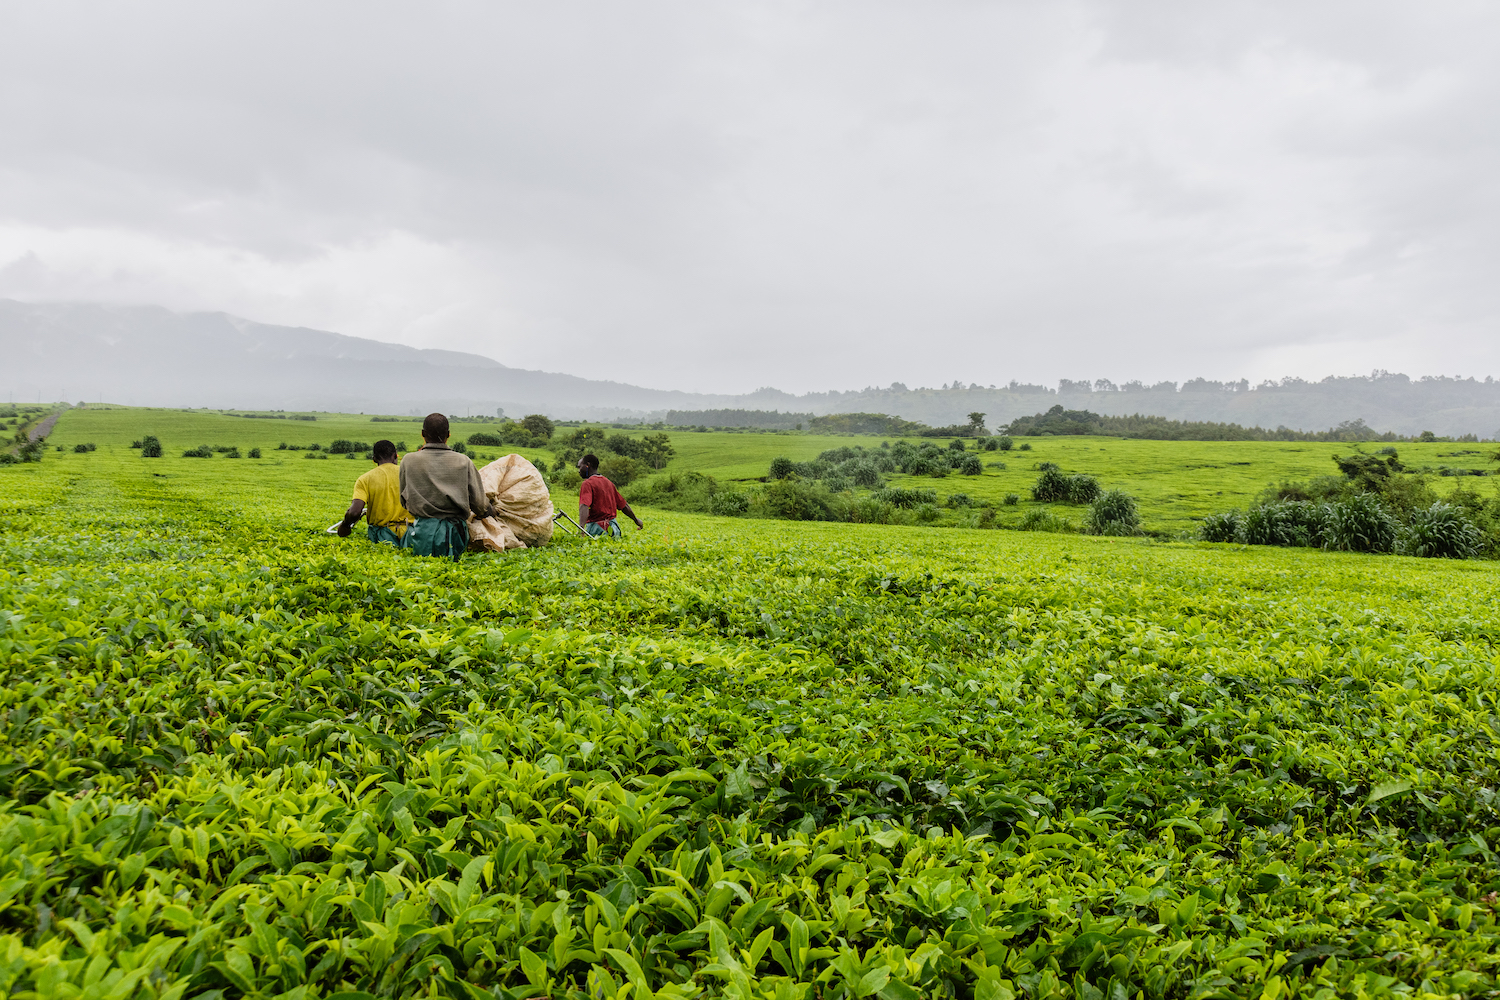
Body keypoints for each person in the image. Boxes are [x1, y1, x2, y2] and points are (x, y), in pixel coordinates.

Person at [398, 413, 497, 560]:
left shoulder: (408, 460)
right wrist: (491, 512)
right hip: (455, 533)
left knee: (421, 569)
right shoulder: (463, 461)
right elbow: (479, 504)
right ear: (448, 434)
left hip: (422, 532)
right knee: (453, 568)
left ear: (423, 434)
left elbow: (403, 501)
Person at [336, 439, 413, 545]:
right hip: (410, 533)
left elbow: (354, 512)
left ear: (374, 459)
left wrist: (345, 526)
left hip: (381, 535)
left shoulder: (365, 479)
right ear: (395, 456)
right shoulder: (411, 475)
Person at [577, 453, 643, 538]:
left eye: (580, 467)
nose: (579, 470)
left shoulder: (587, 484)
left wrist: (581, 529)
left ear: (587, 465)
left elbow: (584, 505)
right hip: (614, 530)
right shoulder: (609, 483)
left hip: (598, 530)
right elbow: (624, 506)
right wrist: (636, 520)